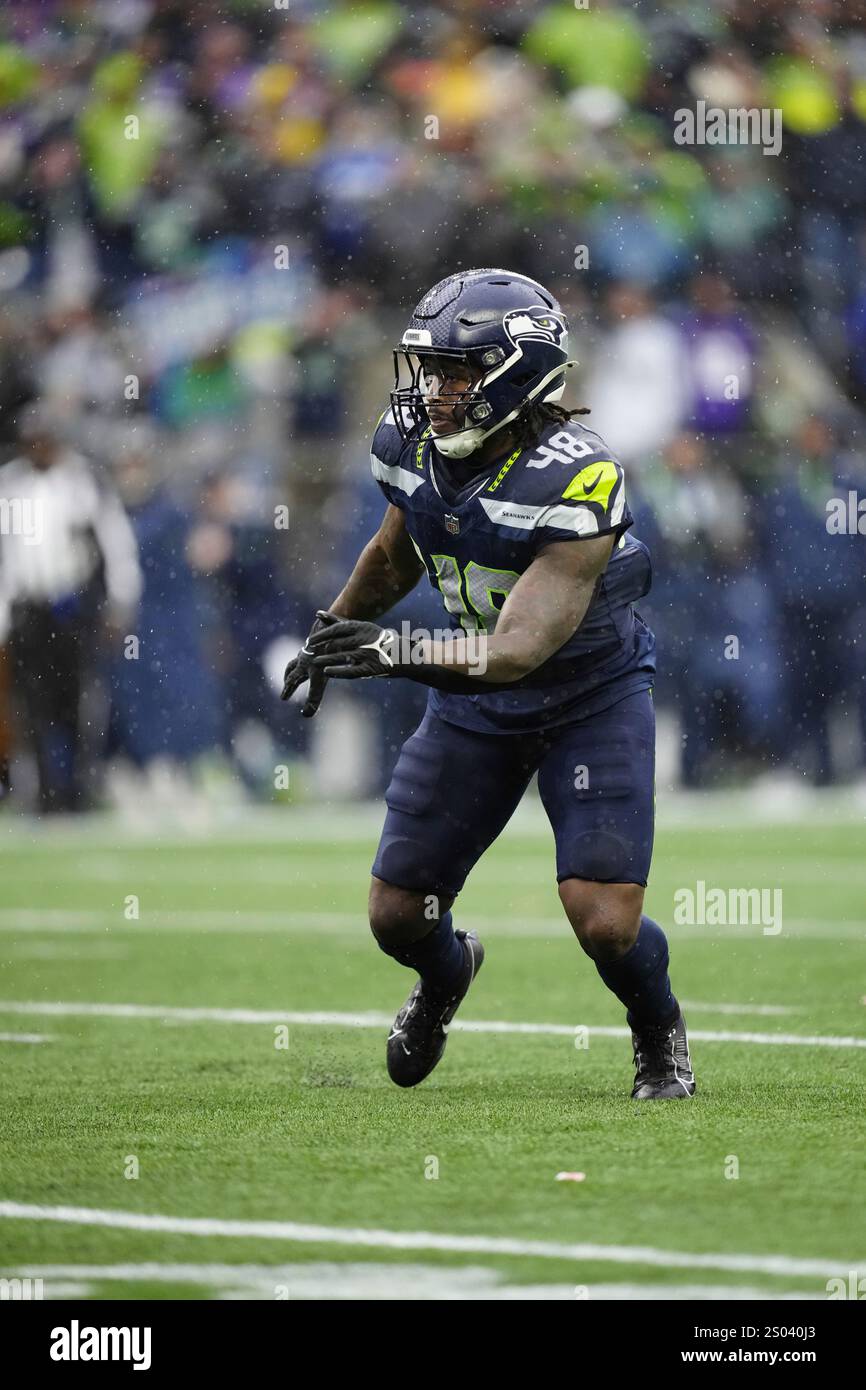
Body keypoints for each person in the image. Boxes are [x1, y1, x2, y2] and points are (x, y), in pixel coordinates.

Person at [282, 268, 695, 1101]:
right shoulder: (410, 441)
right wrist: (332, 628)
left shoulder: (577, 476)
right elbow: (399, 549)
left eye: (457, 373)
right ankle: (445, 976)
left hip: (589, 695)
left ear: (514, 372)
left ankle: (657, 1029)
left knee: (606, 924)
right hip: (477, 702)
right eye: (431, 370)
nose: (435, 391)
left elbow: (519, 649)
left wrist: (392, 652)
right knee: (397, 915)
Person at [0, 403, 141, 810]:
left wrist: (120, 598)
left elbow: (115, 542)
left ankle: (80, 787)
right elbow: (7, 557)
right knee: (31, 704)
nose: (39, 447)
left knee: (79, 701)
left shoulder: (83, 480)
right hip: (27, 606)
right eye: (33, 440)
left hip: (71, 605)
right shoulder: (11, 484)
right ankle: (45, 791)